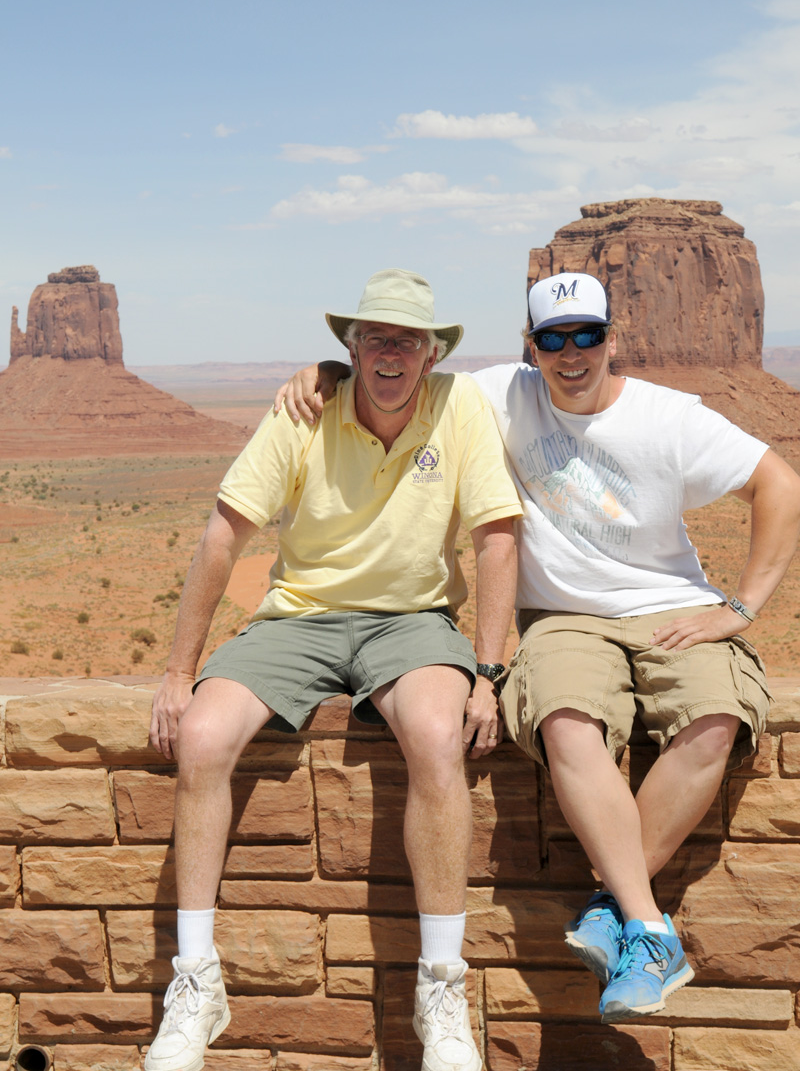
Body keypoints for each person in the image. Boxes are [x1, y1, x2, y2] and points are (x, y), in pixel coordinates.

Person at [276, 270, 800, 1025]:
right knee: (564, 717)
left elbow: (779, 486)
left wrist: (742, 608)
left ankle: (614, 905)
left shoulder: (672, 417)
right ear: (531, 347)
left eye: (587, 335)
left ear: (612, 339)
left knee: (715, 719)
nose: (572, 353)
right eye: (554, 339)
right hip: (562, 617)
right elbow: (400, 375)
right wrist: (328, 372)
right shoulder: (500, 395)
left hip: (674, 608)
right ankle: (652, 933)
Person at [146, 267, 521, 1071]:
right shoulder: (303, 410)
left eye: (408, 340)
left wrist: (488, 671)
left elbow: (496, 538)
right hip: (301, 617)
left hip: (411, 621)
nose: (392, 353)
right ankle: (196, 981)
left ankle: (442, 990)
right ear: (351, 348)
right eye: (375, 337)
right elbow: (223, 535)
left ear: (431, 352)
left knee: (433, 730)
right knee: (204, 737)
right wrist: (179, 672)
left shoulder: (459, 408)